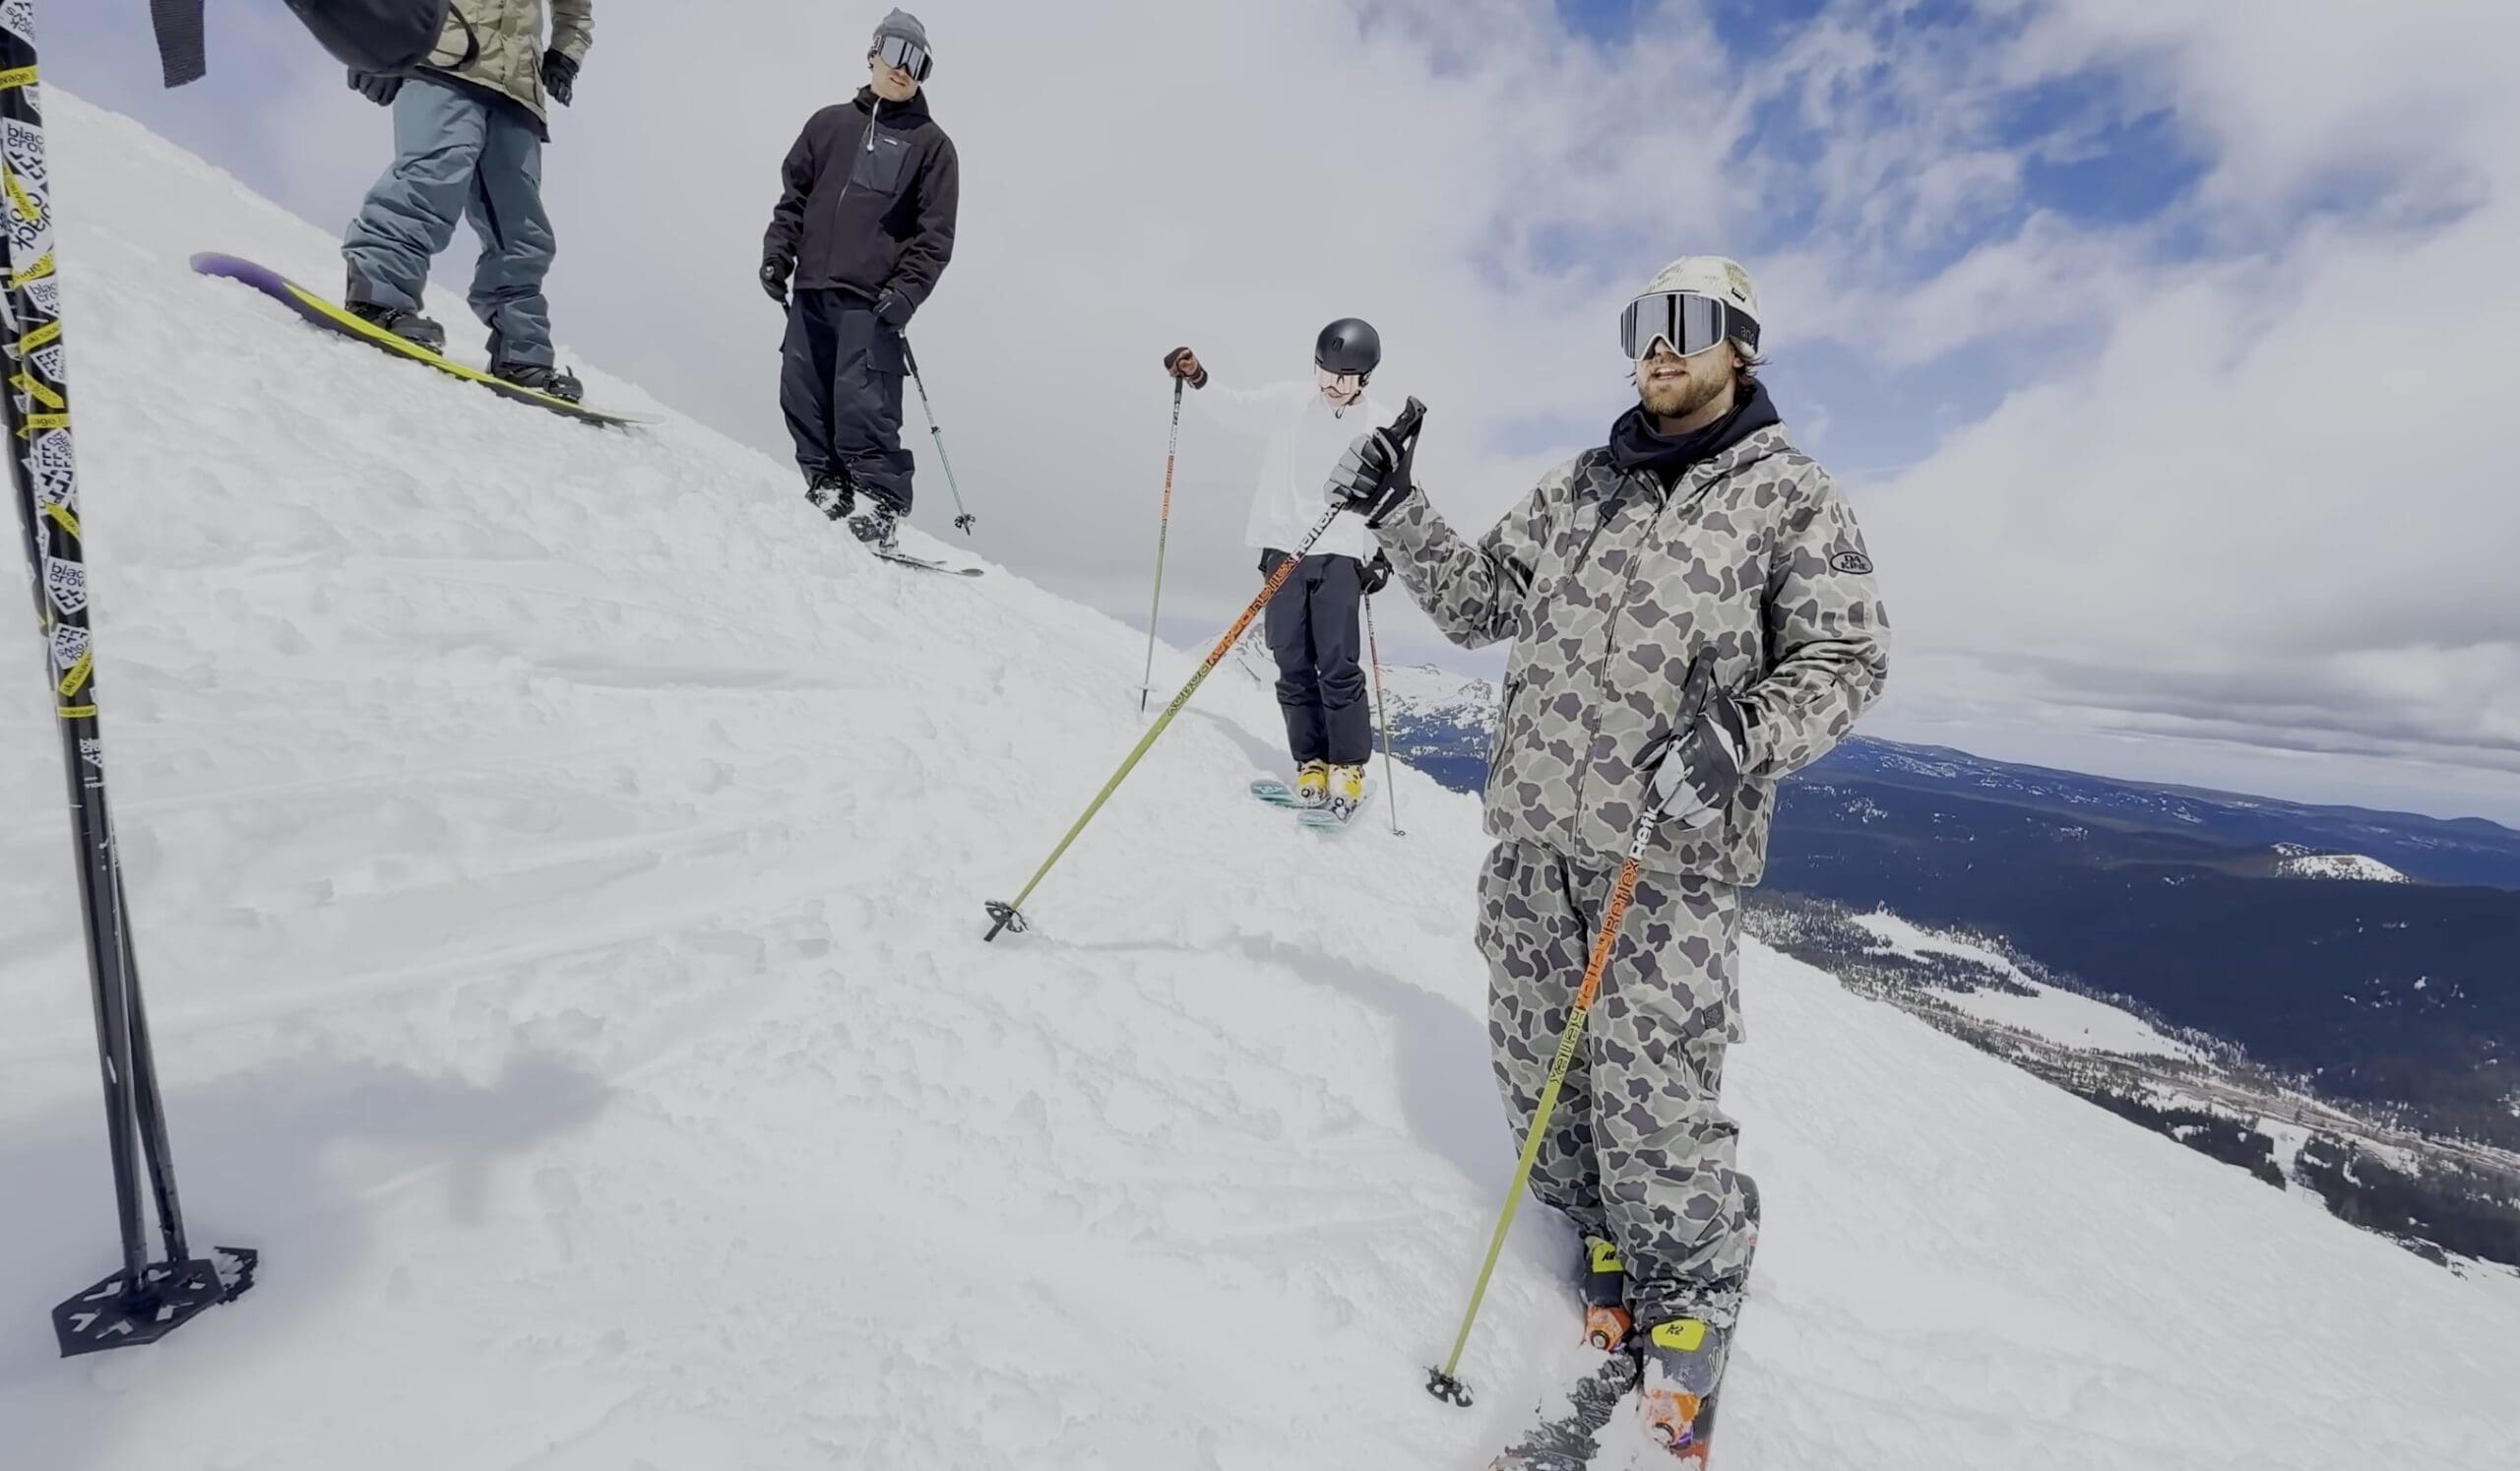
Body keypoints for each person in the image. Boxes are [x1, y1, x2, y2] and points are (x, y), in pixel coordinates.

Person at [1323, 256, 1888, 1459]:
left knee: (1651, 1089)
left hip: (1669, 855)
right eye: (1642, 323)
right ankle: (1600, 1233)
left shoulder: (1789, 495)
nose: (1659, 344)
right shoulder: (1580, 484)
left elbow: (1846, 661)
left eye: (1688, 322)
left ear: (1741, 345)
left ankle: (1692, 1284)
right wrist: (1399, 508)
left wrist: (1742, 735)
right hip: (1534, 840)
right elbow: (1480, 605)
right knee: (1540, 1073)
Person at [1164, 323, 1397, 816]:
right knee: (1291, 661)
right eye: (1325, 373)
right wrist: (1199, 377)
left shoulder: (1379, 424)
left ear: (1365, 378)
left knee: (1337, 663)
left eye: (1345, 378)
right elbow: (1236, 408)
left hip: (1341, 552)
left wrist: (1382, 556)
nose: (1332, 385)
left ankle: (1347, 766)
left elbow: (1392, 492)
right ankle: (1310, 760)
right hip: (1284, 549)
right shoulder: (1290, 402)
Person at [761, 9, 961, 554]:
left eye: (918, 62)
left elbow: (935, 235)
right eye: (896, 52)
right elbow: (794, 200)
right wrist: (777, 255)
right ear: (873, 52)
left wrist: (907, 291)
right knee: (801, 391)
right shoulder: (827, 126)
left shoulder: (931, 145)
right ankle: (826, 485)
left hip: (872, 302)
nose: (904, 68)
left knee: (864, 402)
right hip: (811, 290)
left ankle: (879, 502)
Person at [339, 0, 594, 402]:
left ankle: (522, 350)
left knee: (522, 231)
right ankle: (378, 295)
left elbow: (575, 8)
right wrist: (373, 45)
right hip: (443, 63)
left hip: (517, 91)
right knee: (430, 179)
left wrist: (565, 56)